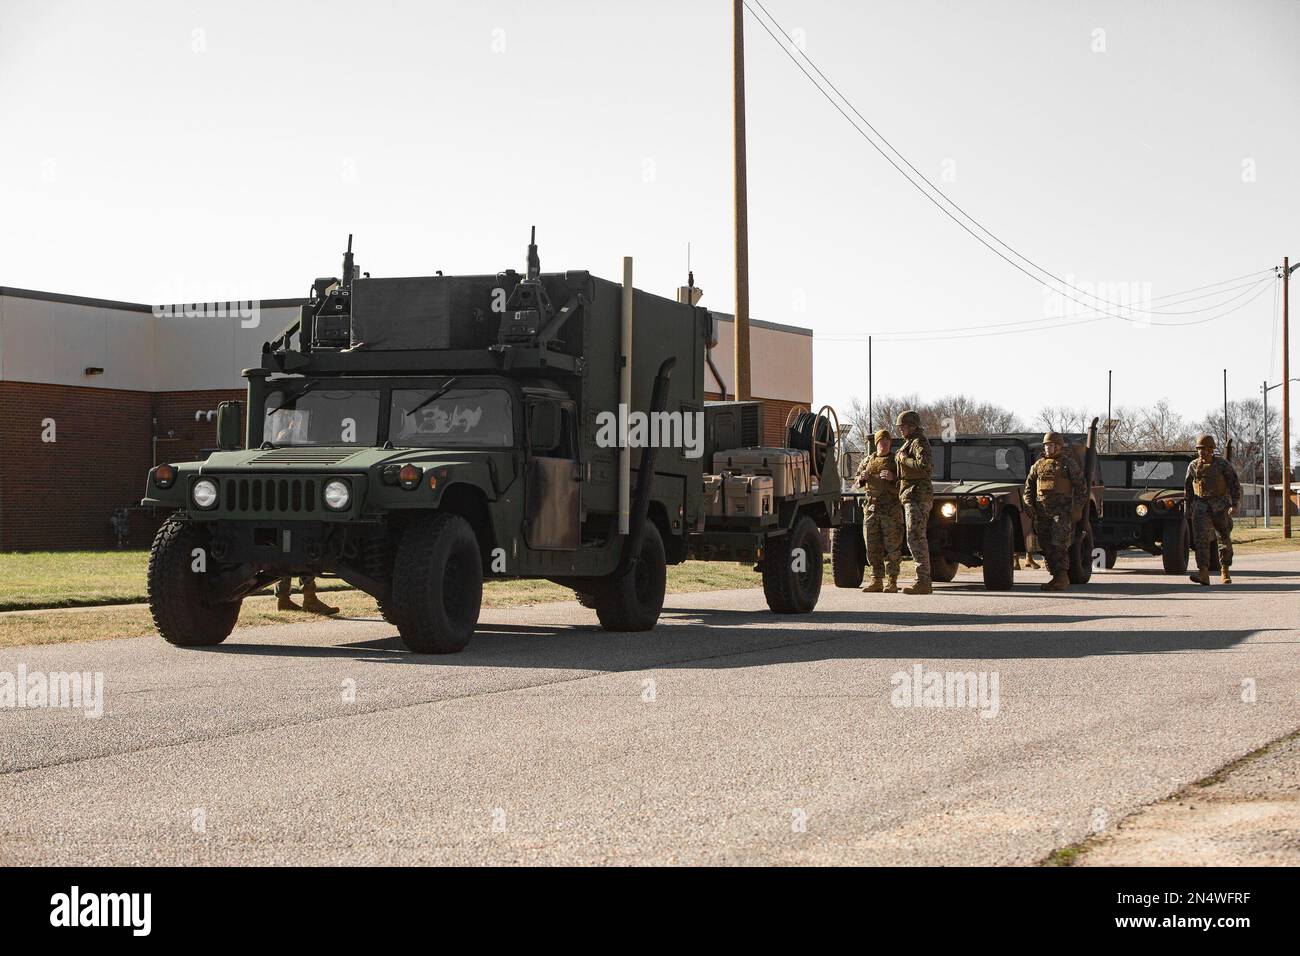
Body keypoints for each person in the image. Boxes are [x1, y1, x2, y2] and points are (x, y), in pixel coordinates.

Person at [1023, 432, 1086, 591]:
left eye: (1050, 445)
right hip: (1043, 513)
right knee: (1046, 545)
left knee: (1059, 544)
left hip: (1062, 512)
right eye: (1046, 445)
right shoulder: (1038, 465)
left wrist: (1077, 509)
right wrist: (1029, 505)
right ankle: (1055, 576)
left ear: (1058, 446)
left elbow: (1081, 487)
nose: (1048, 448)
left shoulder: (1068, 464)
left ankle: (1062, 578)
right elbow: (1028, 488)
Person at [1185, 434, 1242, 586]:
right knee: (1200, 540)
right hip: (1200, 506)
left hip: (1220, 505)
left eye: (1205, 449)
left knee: (1223, 538)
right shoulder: (1192, 466)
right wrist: (1188, 508)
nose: (1202, 452)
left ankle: (1225, 570)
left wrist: (1234, 504)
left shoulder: (1222, 465)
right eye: (1199, 449)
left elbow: (1234, 484)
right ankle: (1203, 572)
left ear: (1212, 450)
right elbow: (1188, 489)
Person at [854, 428, 903, 593]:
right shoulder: (867, 461)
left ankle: (892, 581)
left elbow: (906, 483)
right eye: (881, 441)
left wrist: (893, 478)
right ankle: (876, 580)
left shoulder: (897, 461)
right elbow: (855, 483)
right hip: (871, 509)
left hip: (891, 510)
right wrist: (861, 478)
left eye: (887, 441)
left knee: (893, 548)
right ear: (876, 443)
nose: (884, 444)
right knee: (872, 547)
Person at [893, 410, 934, 595]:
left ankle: (923, 581)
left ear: (912, 426)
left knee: (916, 537)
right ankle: (922, 580)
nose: (901, 430)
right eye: (900, 427)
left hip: (918, 496)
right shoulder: (910, 442)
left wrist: (904, 459)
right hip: (910, 495)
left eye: (903, 426)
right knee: (914, 537)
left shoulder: (919, 442)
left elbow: (925, 466)